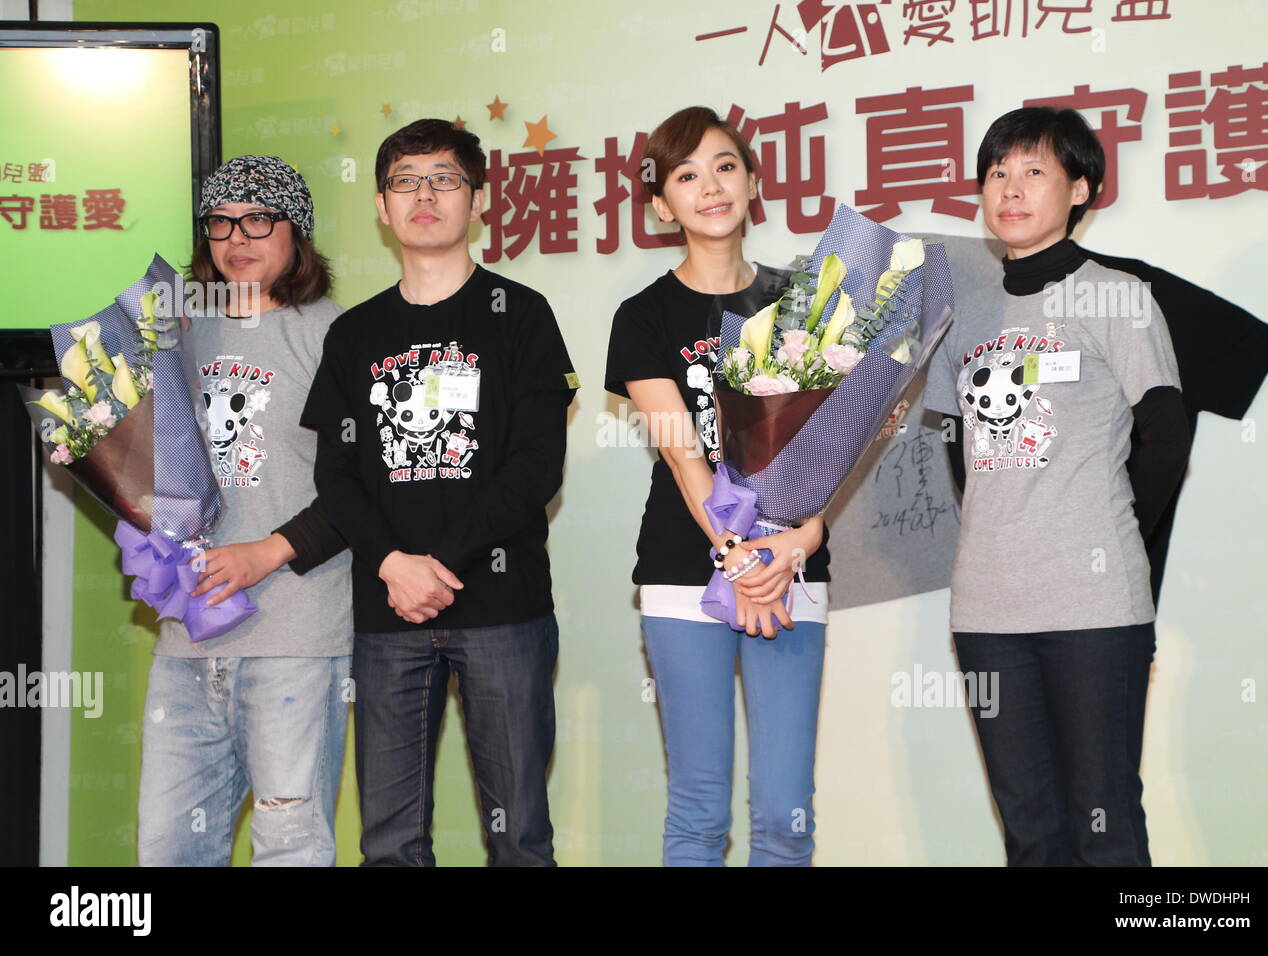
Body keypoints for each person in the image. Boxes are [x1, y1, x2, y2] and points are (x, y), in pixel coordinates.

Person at [299, 119, 577, 866]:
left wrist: (436, 566)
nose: (425, 194)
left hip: (503, 609)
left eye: (445, 178)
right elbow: (337, 475)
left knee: (518, 834)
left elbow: (534, 468)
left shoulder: (522, 316)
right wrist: (394, 563)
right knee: (389, 842)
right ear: (383, 208)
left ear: (478, 200)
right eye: (406, 180)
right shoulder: (355, 333)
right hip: (386, 616)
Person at [923, 107, 1191, 866]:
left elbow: (1166, 438)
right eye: (997, 172)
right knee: (1030, 829)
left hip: (1093, 606)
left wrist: (1102, 534)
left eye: (1034, 170)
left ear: (1080, 188)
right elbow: (956, 441)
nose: (1010, 188)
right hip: (986, 609)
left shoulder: (1118, 295)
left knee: (1101, 821)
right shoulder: (962, 309)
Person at [604, 106, 831, 866]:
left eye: (726, 165)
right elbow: (680, 455)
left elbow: (832, 440)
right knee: (699, 812)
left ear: (754, 182)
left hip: (792, 570)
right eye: (687, 174)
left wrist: (803, 537)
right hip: (684, 568)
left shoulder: (802, 301)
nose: (711, 186)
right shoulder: (642, 316)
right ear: (663, 204)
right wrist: (739, 553)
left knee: (784, 814)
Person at [137, 155, 353, 866]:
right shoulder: (176, 332)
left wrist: (268, 550)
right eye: (222, 221)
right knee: (168, 849)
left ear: (298, 232)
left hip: (295, 633)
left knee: (290, 849)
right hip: (187, 638)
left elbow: (367, 488)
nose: (238, 237)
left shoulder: (338, 336)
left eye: (260, 219)